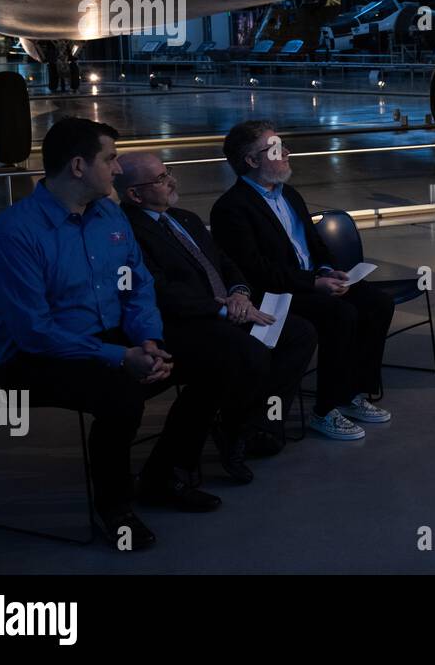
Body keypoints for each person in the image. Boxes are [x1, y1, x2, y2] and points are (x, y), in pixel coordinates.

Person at [0, 118, 230, 551]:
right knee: (121, 395)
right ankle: (114, 508)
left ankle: (161, 474)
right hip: (36, 358)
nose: (117, 169)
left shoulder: (108, 216)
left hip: (110, 337)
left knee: (216, 359)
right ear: (78, 166)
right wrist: (119, 356)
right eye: (110, 159)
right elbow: (33, 331)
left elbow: (134, 283)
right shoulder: (15, 234)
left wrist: (149, 338)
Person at [116, 152, 316, 483]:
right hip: (186, 320)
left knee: (298, 333)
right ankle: (235, 431)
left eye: (169, 173)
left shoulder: (186, 218)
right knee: (248, 353)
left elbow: (225, 262)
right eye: (161, 179)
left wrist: (239, 294)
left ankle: (251, 426)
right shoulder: (129, 232)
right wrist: (221, 308)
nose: (172, 182)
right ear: (135, 195)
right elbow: (159, 291)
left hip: (229, 308)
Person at [210, 121, 395, 442]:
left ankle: (354, 392)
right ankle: (325, 410)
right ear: (252, 161)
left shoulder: (289, 194)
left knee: (377, 303)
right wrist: (313, 283)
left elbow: (314, 243)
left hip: (311, 282)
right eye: (276, 149)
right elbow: (256, 270)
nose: (287, 153)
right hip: (278, 294)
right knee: (340, 315)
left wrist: (326, 269)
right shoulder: (231, 209)